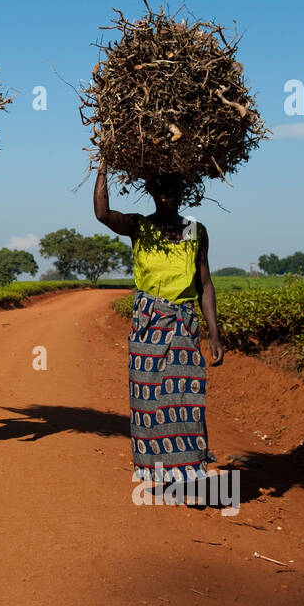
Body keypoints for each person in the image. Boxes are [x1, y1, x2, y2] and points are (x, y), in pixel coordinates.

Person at [94, 165, 224, 487]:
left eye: (174, 190)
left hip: (184, 322)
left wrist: (214, 333)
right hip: (148, 324)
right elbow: (102, 213)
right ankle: (154, 470)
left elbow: (205, 284)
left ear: (184, 193)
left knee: (186, 394)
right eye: (161, 190)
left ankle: (191, 468)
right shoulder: (139, 226)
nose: (167, 196)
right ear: (152, 193)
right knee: (148, 397)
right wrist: (103, 167)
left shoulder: (196, 230)